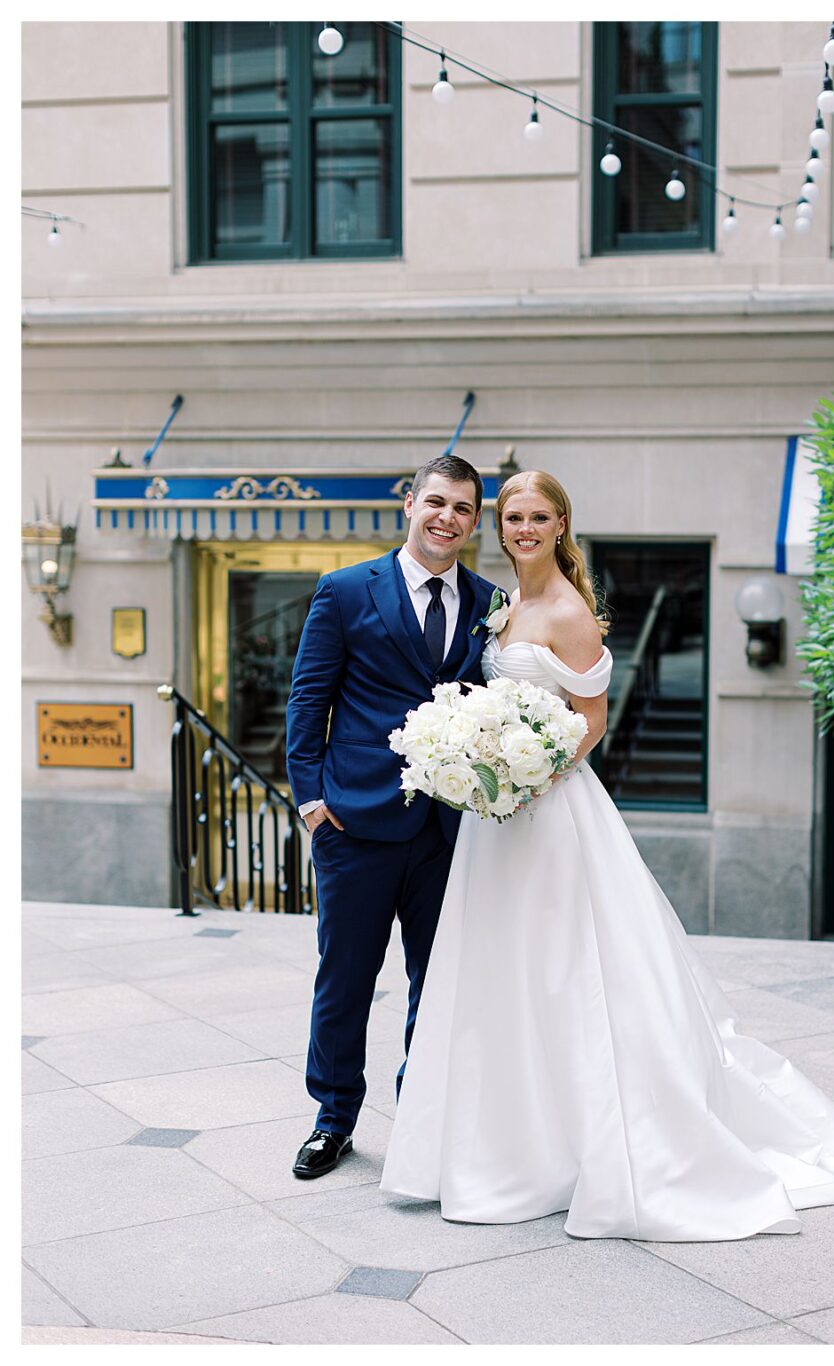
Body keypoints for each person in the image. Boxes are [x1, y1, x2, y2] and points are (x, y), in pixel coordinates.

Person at [378, 470, 834, 1239]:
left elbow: (591, 721)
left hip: (550, 812)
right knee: (502, 975)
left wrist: (530, 776)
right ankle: (502, 1143)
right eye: (512, 517)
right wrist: (479, 765)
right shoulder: (505, 604)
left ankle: (575, 1145)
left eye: (537, 517)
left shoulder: (567, 610)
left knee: (566, 976)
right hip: (495, 822)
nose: (523, 529)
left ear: (562, 524)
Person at [286, 453, 499, 1179]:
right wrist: (312, 803)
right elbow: (308, 702)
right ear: (409, 503)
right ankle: (333, 1119)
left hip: (448, 830)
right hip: (354, 824)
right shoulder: (345, 591)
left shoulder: (489, 601)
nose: (447, 518)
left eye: (464, 509)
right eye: (436, 502)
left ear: (475, 522)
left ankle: (421, 1116)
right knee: (345, 979)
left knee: (435, 983)